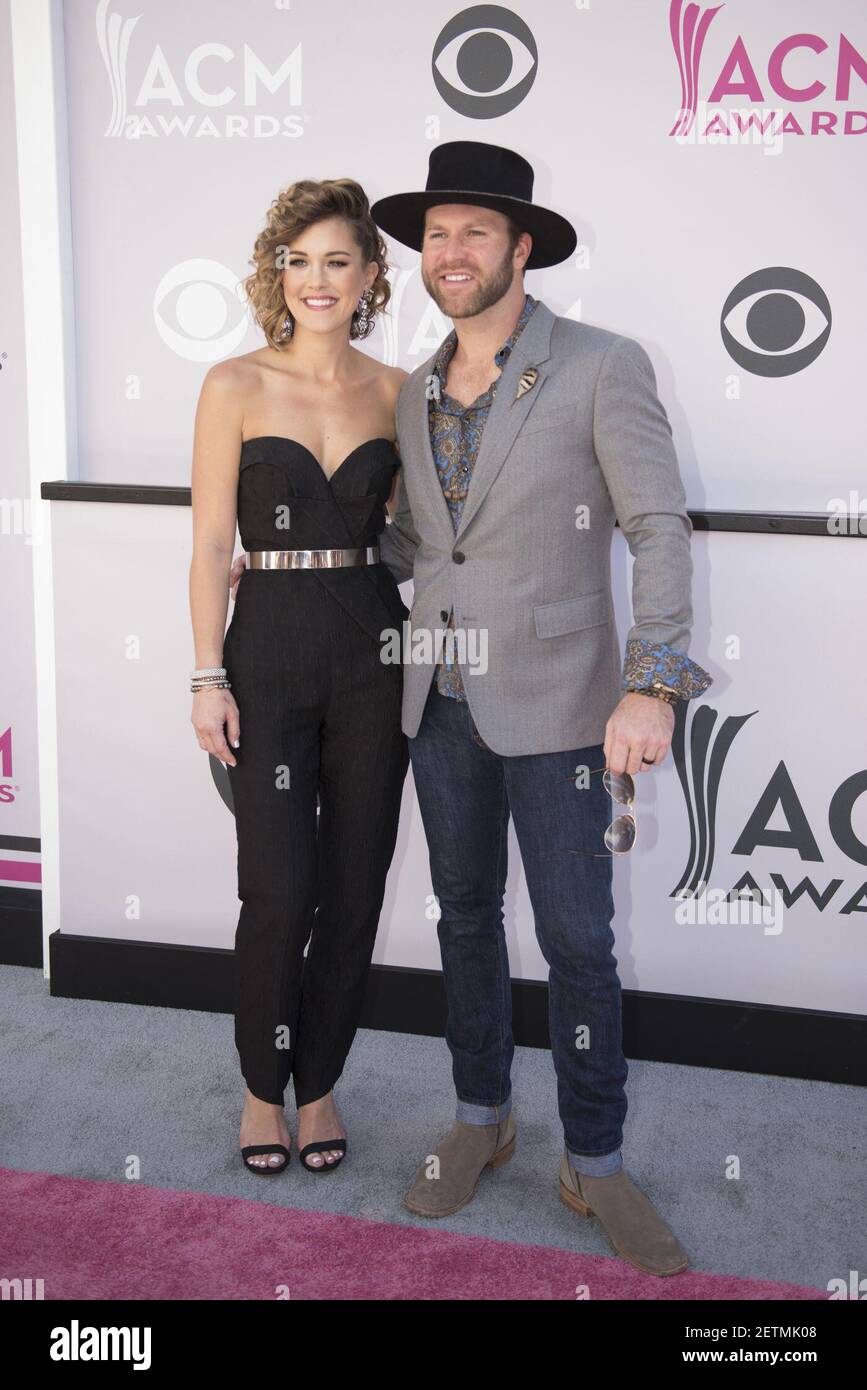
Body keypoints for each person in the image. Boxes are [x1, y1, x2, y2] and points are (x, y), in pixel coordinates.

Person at [368, 140, 714, 1276]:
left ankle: (596, 1162)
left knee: (578, 943)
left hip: (568, 704)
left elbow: (657, 528)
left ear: (521, 248)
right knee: (463, 917)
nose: (449, 251)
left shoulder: (602, 365)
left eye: (473, 232)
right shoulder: (414, 388)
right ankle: (482, 1117)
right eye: (435, 234)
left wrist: (653, 683)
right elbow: (422, 542)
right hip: (443, 700)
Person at [190, 178, 410, 1175]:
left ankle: (318, 1087)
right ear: (278, 273)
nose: (315, 279)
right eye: (298, 260)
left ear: (370, 275)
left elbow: (419, 542)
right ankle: (257, 1090)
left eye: (337, 260)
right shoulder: (233, 385)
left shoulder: (400, 391)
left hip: (375, 652)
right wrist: (205, 675)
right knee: (278, 890)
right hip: (266, 653)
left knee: (355, 888)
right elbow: (205, 549)